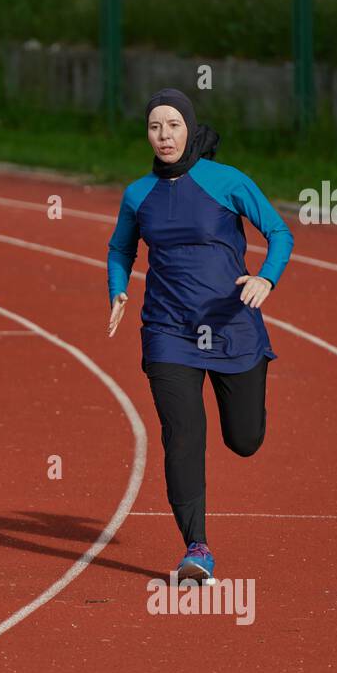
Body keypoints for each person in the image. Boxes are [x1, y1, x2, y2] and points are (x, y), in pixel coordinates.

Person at [106, 88, 294, 583]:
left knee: (245, 439)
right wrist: (118, 289)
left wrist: (264, 277)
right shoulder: (138, 194)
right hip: (169, 332)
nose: (164, 135)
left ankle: (246, 417)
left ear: (189, 128)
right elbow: (120, 249)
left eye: (173, 125)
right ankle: (197, 547)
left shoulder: (227, 181)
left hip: (233, 327)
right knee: (183, 436)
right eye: (154, 127)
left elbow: (279, 232)